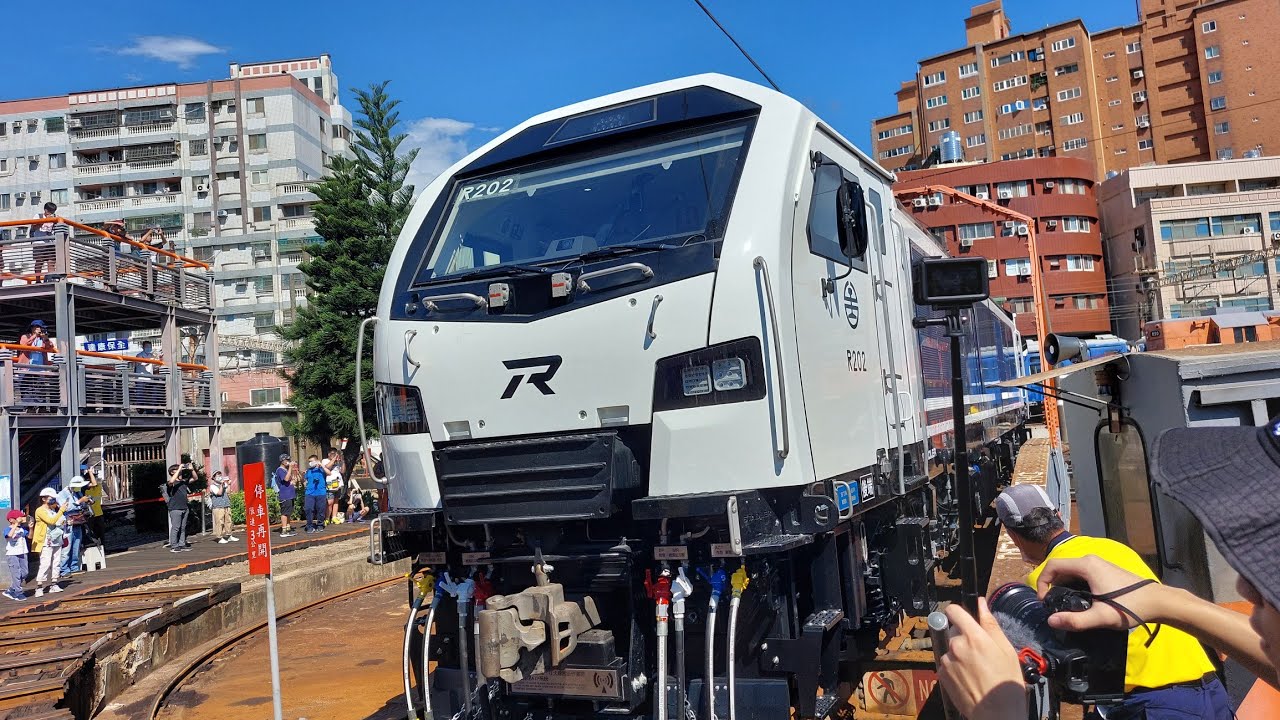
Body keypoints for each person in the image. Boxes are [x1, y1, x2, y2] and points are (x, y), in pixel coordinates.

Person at [992, 483, 1230, 719]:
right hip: (1208, 686)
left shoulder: (1044, 578)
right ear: (1059, 516)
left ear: (1013, 536)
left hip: (1154, 703)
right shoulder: (1110, 548)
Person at [31, 488, 66, 596]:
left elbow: (58, 520)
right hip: (45, 540)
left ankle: (54, 583)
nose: (53, 500)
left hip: (56, 539)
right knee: (45, 563)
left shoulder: (52, 510)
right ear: (44, 498)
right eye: (51, 498)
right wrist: (61, 511)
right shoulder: (40, 510)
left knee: (57, 562)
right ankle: (39, 586)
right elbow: (51, 521)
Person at [57, 476, 93, 578]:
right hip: (67, 523)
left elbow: (80, 506)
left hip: (78, 522)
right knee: (67, 547)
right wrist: (79, 501)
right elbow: (65, 508)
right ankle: (64, 570)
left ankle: (74, 567)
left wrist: (85, 502)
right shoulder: (62, 494)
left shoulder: (77, 493)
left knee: (76, 545)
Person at [17, 319, 55, 409]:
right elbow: (24, 346)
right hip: (27, 368)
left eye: (42, 328)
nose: (41, 330)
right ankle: (29, 409)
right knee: (27, 389)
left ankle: (41, 408)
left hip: (40, 369)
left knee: (40, 389)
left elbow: (50, 347)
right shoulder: (25, 336)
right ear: (33, 328)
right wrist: (34, 336)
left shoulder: (43, 339)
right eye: (39, 328)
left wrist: (45, 339)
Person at [166, 463, 192, 553]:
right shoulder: (170, 483)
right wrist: (179, 468)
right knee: (176, 527)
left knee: (183, 527)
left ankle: (182, 544)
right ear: (172, 472)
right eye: (177, 470)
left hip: (184, 507)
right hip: (175, 508)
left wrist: (192, 470)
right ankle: (174, 545)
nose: (180, 472)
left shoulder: (183, 482)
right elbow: (171, 482)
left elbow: (195, 478)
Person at [30, 202, 58, 282]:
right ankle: (37, 280)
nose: (52, 213)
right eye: (50, 211)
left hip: (50, 242)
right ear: (46, 210)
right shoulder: (38, 216)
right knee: (39, 261)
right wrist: (45, 220)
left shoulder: (55, 217)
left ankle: (51, 278)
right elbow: (34, 227)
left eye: (53, 211)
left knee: (51, 260)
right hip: (39, 243)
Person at [4, 510, 29, 601]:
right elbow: (9, 536)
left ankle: (11, 589)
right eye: (19, 517)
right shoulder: (8, 529)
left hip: (22, 552)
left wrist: (31, 528)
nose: (21, 519)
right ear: (11, 520)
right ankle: (18, 592)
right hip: (12, 554)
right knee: (16, 573)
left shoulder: (22, 529)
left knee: (25, 572)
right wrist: (15, 525)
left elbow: (29, 536)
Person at [82, 464, 107, 548]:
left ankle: (102, 547)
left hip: (97, 514)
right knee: (92, 533)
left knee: (99, 533)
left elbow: (95, 484)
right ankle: (96, 547)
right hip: (91, 515)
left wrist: (90, 473)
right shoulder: (85, 488)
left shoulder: (96, 486)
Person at [208, 470, 236, 544]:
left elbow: (228, 492)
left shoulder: (224, 484)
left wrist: (229, 484)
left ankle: (229, 535)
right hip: (218, 506)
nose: (219, 477)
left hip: (226, 504)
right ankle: (219, 537)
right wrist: (221, 485)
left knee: (228, 520)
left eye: (220, 475)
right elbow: (219, 493)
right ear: (213, 478)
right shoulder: (212, 486)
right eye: (217, 475)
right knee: (220, 522)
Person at [304, 455, 328, 533]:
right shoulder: (308, 470)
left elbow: (329, 473)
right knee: (309, 509)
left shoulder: (321, 469)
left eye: (312, 461)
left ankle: (320, 524)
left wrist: (321, 465)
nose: (310, 463)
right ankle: (309, 525)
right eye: (309, 462)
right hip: (310, 493)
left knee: (321, 509)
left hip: (321, 492)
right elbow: (304, 480)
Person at [276, 456, 297, 537]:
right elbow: (286, 479)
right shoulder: (280, 470)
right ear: (282, 461)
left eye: (289, 460)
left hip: (290, 494)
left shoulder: (286, 470)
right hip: (285, 495)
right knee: (284, 512)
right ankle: (284, 530)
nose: (288, 461)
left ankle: (288, 528)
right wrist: (290, 468)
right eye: (286, 460)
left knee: (289, 512)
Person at [324, 450, 344, 525]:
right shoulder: (325, 461)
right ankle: (327, 518)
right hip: (330, 485)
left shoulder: (338, 463)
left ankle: (334, 517)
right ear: (329, 454)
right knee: (330, 502)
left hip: (338, 484)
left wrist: (342, 461)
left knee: (336, 501)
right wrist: (334, 458)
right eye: (333, 454)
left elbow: (343, 471)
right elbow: (327, 467)